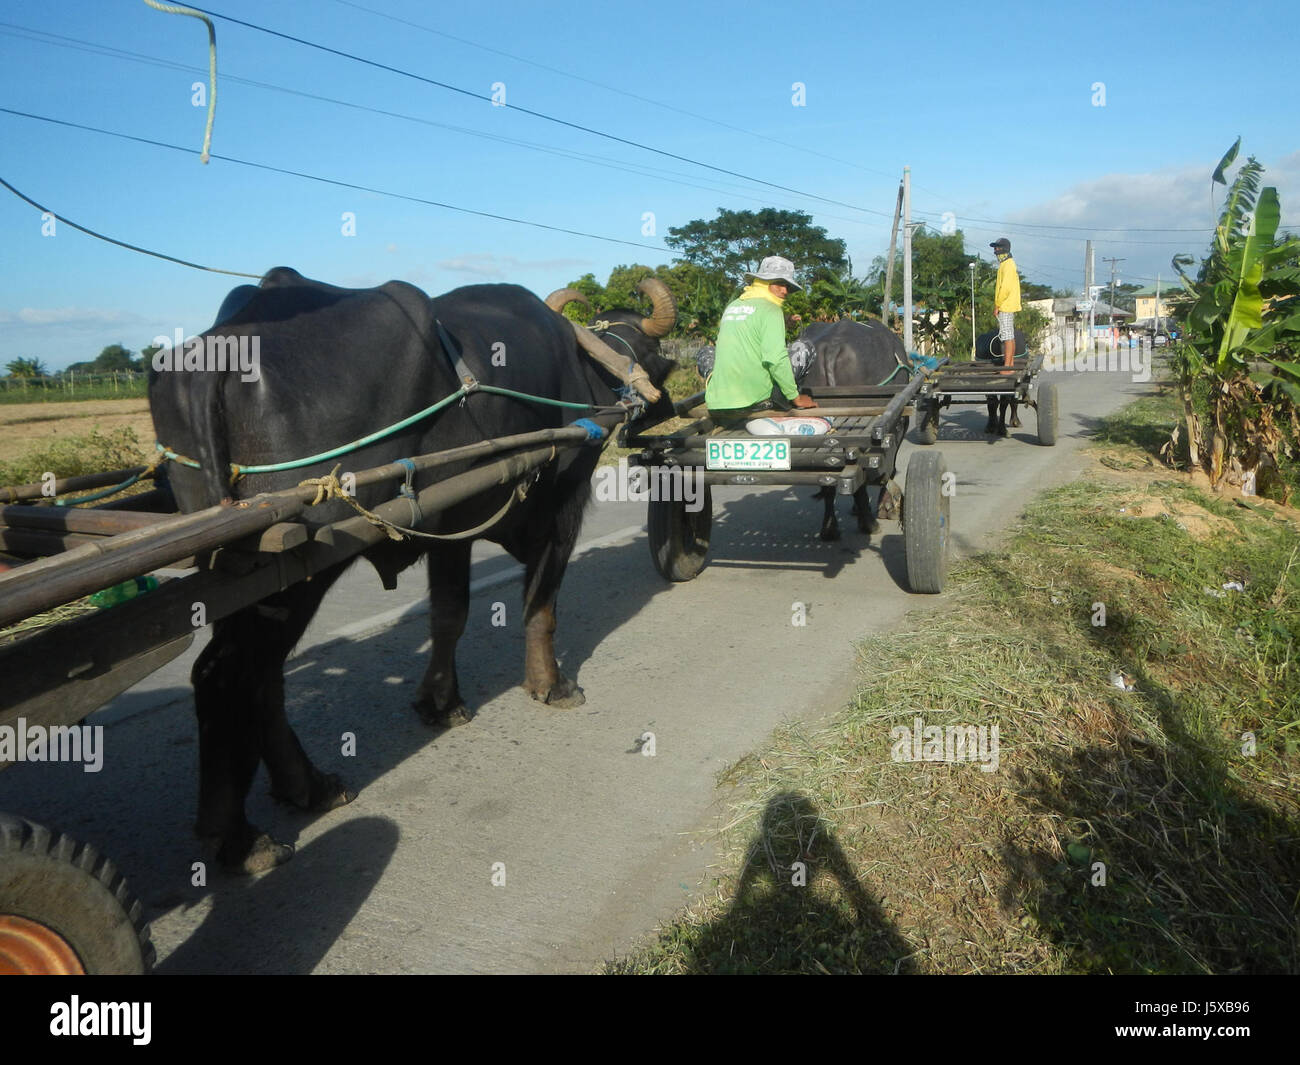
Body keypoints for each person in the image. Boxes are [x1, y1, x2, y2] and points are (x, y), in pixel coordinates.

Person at [705, 255, 818, 428]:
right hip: (755, 401)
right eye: (780, 284)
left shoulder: (733, 305)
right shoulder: (771, 310)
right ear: (765, 282)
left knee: (707, 351)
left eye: (786, 285)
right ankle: (790, 399)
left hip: (717, 402)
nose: (785, 291)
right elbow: (775, 358)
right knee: (805, 347)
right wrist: (795, 397)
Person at [990, 237, 1021, 368]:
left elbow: (1005, 288)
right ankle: (1010, 364)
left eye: (997, 247)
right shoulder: (1005, 264)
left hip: (1006, 305)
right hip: (1007, 304)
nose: (995, 250)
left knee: (1007, 336)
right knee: (1009, 335)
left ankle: (1007, 366)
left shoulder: (1008, 264)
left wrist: (997, 305)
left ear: (1003, 249)